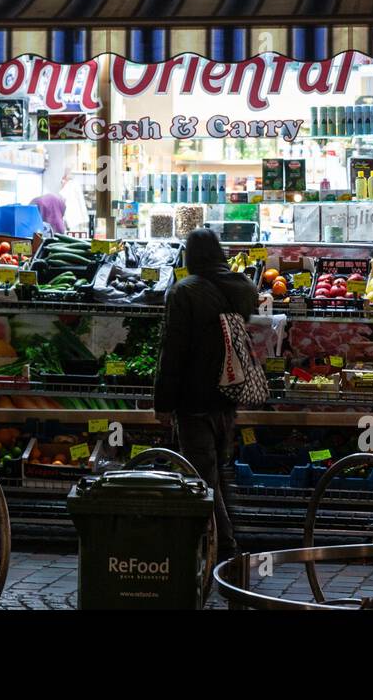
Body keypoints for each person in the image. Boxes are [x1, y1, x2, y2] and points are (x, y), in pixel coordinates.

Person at [154, 227, 259, 560]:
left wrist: (163, 403)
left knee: (203, 478)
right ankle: (215, 540)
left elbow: (172, 353)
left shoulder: (183, 293)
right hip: (229, 396)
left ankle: (225, 549)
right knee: (216, 471)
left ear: (190, 255)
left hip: (193, 400)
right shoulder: (244, 287)